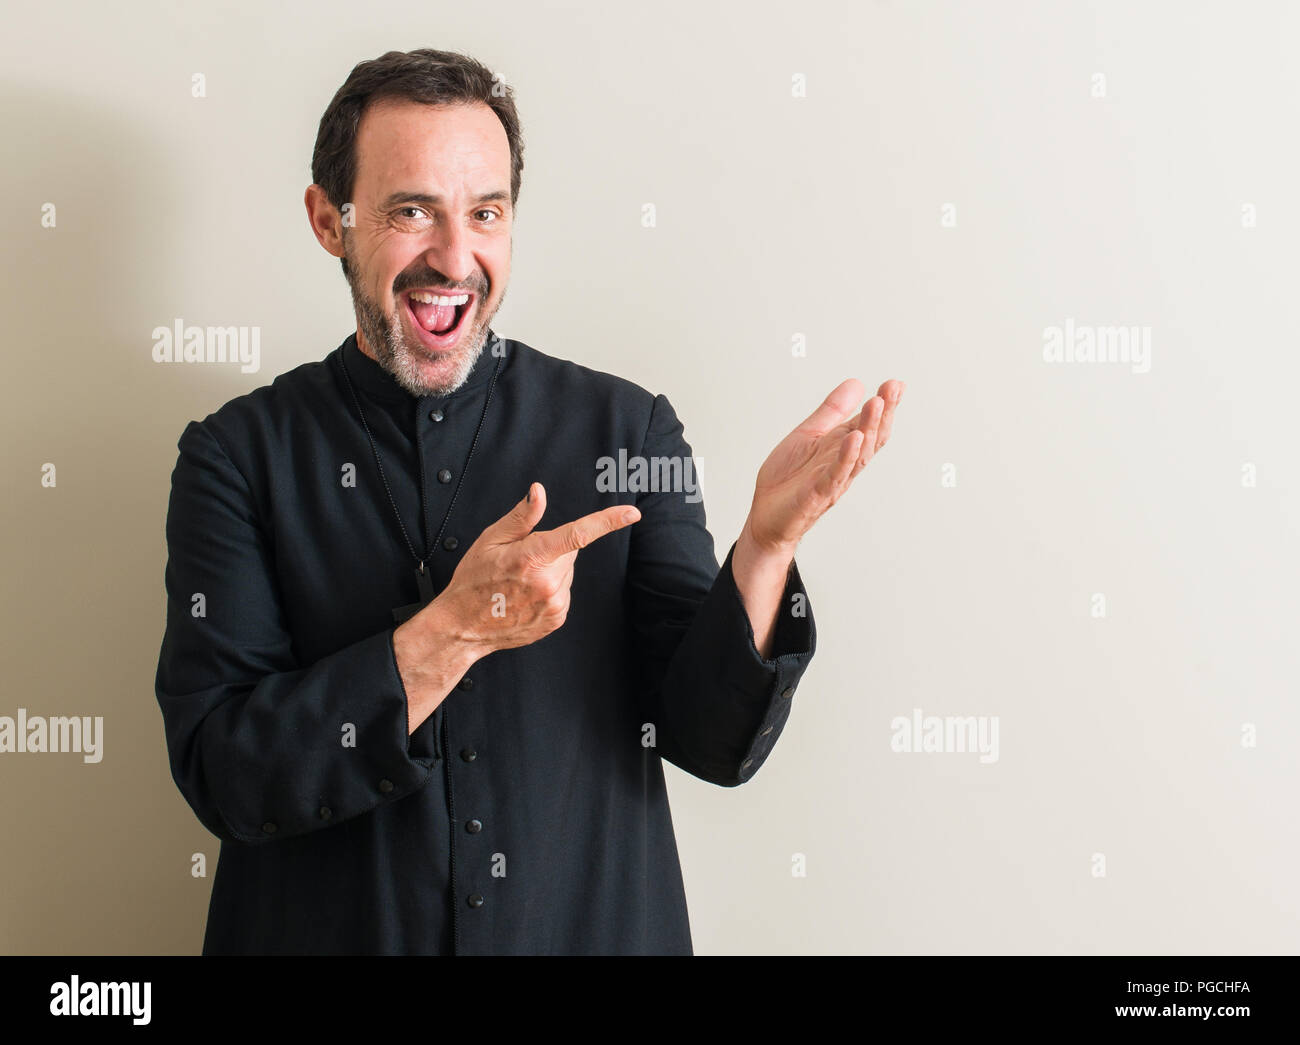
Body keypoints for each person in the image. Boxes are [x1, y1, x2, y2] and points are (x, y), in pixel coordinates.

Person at [154, 47, 904, 955]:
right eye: (410, 211)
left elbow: (713, 740)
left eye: (485, 213)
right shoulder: (234, 456)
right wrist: (452, 631)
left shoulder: (629, 431)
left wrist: (765, 548)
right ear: (329, 220)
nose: (454, 256)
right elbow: (225, 772)